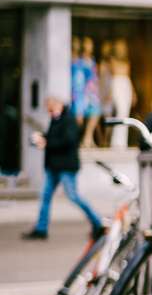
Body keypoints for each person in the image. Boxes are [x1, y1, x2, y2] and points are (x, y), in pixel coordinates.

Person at [24, 97, 103, 241]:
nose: (49, 111)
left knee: (73, 196)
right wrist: (41, 138)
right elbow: (55, 137)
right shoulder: (57, 119)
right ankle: (41, 229)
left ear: (58, 105)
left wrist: (47, 143)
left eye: (51, 107)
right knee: (45, 196)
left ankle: (98, 222)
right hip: (53, 167)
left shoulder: (69, 119)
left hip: (66, 167)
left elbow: (69, 141)